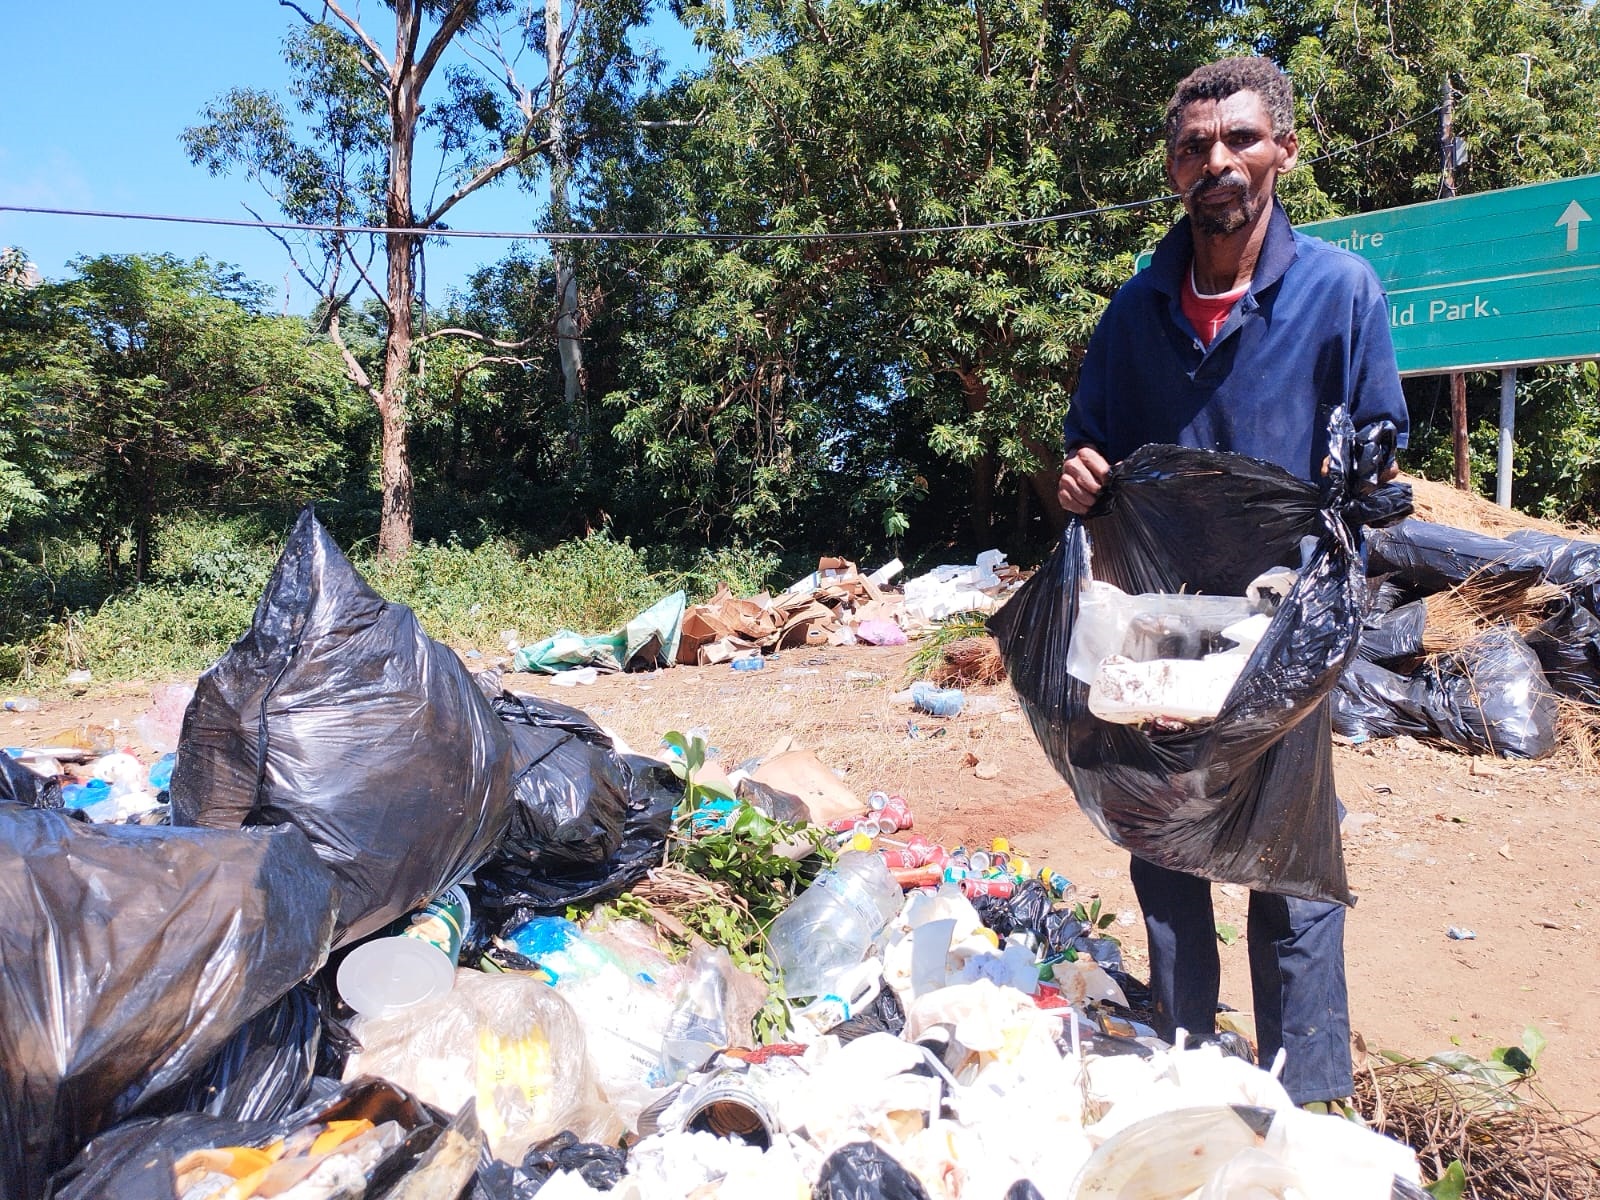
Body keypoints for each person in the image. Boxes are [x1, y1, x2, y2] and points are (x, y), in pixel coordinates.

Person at [1056, 56, 1409, 1108]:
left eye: (1240, 140)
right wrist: (1076, 476)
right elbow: (1085, 453)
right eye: (1194, 147)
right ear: (1172, 172)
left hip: (1278, 622)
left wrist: (1364, 480)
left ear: (1281, 153)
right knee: (1165, 850)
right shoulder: (1133, 316)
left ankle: (1305, 1097)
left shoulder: (1339, 292)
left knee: (1285, 860)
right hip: (1159, 629)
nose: (1217, 162)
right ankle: (1188, 1070)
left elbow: (1376, 435)